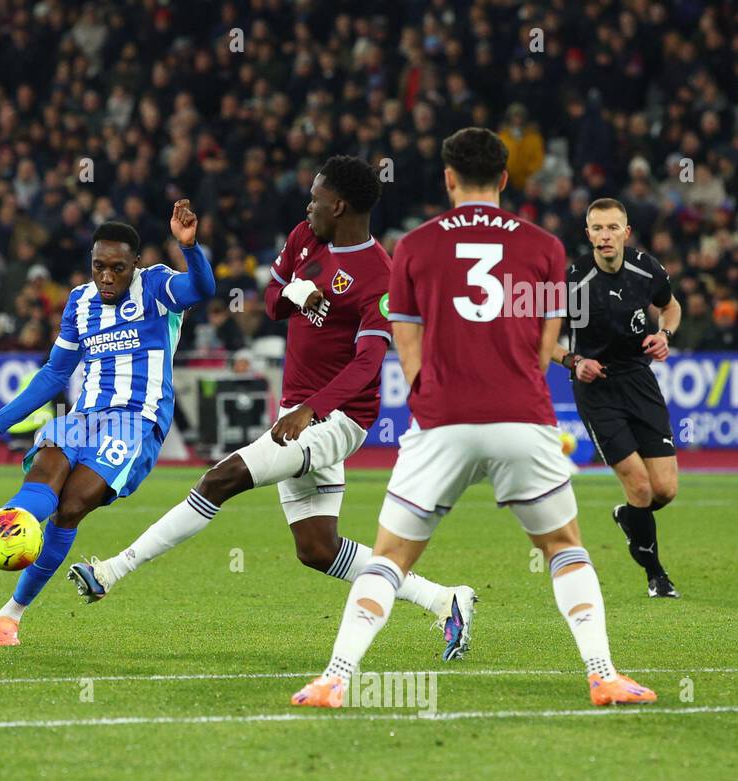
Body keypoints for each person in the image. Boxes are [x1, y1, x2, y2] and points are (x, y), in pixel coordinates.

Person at [292, 128, 655, 709]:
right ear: (506, 180)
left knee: (389, 558)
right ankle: (603, 673)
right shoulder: (544, 247)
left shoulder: (412, 245)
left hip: (442, 418)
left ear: (449, 179)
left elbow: (404, 336)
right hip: (521, 415)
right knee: (564, 546)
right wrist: (517, 384)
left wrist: (423, 391)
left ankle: (335, 677)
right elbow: (547, 342)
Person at [69, 157, 476, 660]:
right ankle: (446, 599)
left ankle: (111, 570)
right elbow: (271, 299)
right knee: (317, 549)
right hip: (299, 409)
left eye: (317, 197)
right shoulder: (306, 235)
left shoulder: (380, 276)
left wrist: (313, 410)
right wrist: (295, 294)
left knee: (219, 480)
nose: (309, 205)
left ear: (340, 205)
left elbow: (369, 362)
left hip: (339, 419)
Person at [0, 202, 215, 646]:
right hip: (83, 417)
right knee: (46, 470)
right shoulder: (80, 302)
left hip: (135, 421)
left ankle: (11, 608)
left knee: (70, 507)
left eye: (118, 268)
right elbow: (54, 373)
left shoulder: (158, 286)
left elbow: (202, 289)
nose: (107, 277)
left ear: (135, 265)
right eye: (99, 266)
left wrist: (190, 246)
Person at [554, 198, 683, 598]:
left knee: (665, 490)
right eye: (597, 228)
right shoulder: (571, 280)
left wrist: (664, 335)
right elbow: (538, 339)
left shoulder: (647, 268)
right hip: (596, 388)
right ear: (587, 233)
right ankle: (656, 575)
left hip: (638, 380)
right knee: (640, 486)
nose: (605, 235)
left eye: (613, 228)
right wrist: (573, 362)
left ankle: (629, 517)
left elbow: (671, 306)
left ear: (626, 233)